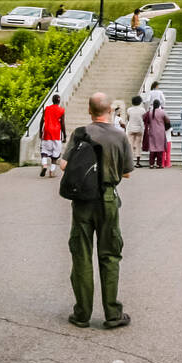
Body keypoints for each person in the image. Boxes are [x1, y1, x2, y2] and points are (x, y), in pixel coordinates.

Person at [59, 91, 133, 329]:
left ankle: (82, 314)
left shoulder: (80, 133)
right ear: (110, 110)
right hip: (108, 199)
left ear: (89, 111)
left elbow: (63, 165)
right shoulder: (120, 136)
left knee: (81, 254)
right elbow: (128, 172)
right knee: (110, 255)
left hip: (82, 201)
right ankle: (112, 313)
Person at [39, 94, 66, 178]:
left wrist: (40, 131)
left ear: (52, 100)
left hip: (47, 131)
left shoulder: (47, 109)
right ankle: (52, 171)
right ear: (59, 101)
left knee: (44, 151)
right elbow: (62, 123)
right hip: (56, 133)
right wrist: (64, 135)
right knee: (55, 153)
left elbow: (41, 121)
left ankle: (44, 165)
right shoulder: (61, 110)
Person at [143, 99, 170, 169]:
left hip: (152, 131)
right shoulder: (162, 112)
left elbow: (144, 118)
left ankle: (151, 164)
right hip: (160, 132)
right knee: (160, 148)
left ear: (153, 105)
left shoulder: (150, 112)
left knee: (152, 148)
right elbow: (168, 120)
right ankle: (159, 164)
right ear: (159, 105)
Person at [125, 94, 146, 166]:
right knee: (138, 145)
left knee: (130, 145)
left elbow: (128, 118)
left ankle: (130, 162)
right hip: (139, 129)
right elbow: (144, 119)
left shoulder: (129, 110)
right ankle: (137, 162)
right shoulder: (143, 110)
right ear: (140, 102)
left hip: (131, 128)